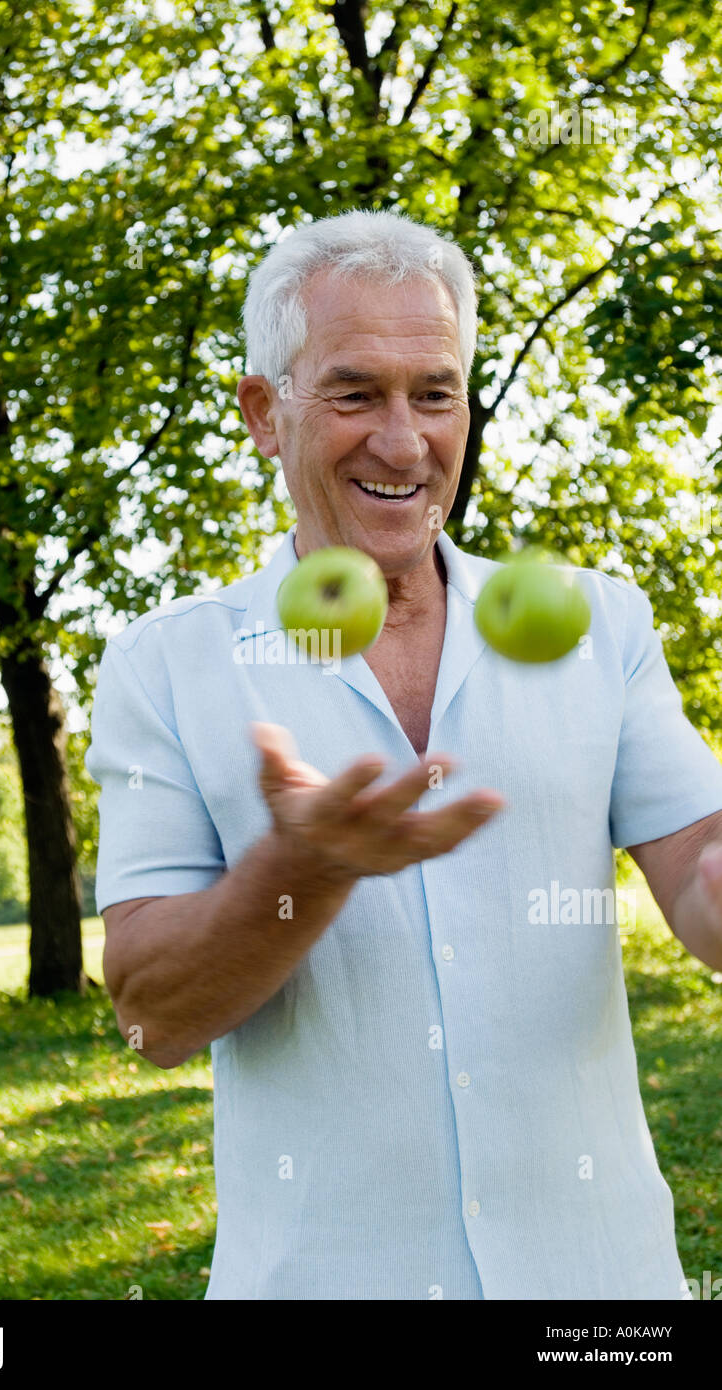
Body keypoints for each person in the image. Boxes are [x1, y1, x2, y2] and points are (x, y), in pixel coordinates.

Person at [85, 208, 722, 1300]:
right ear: (262, 412)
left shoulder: (597, 625)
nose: (403, 440)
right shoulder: (169, 665)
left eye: (434, 392)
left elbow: (704, 872)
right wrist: (304, 869)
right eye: (353, 393)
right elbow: (153, 1012)